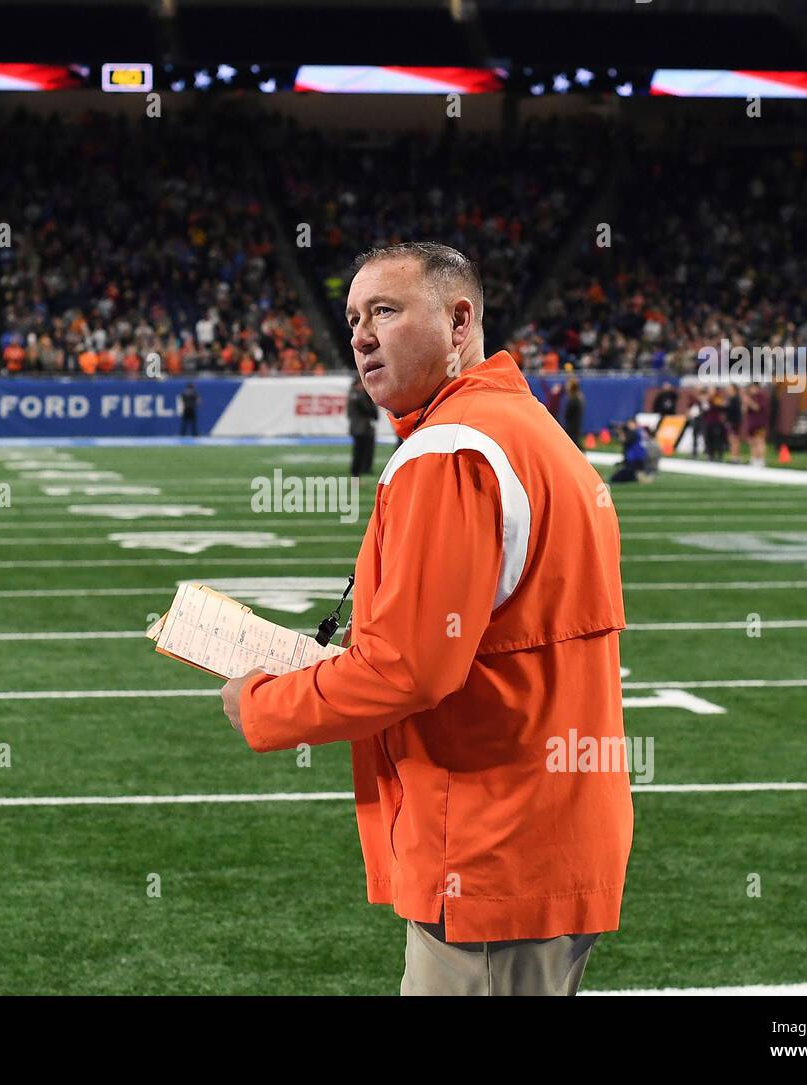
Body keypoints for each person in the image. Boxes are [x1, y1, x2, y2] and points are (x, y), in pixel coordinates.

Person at [219, 242, 632, 996]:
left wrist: (260, 703)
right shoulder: (530, 430)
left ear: (458, 320)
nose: (361, 336)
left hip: (490, 851)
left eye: (385, 310)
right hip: (554, 837)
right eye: (352, 319)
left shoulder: (451, 449)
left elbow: (409, 669)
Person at [347, 374, 378, 476]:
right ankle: (356, 471)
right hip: (360, 427)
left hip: (362, 427)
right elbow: (367, 408)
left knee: (365, 449)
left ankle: (363, 469)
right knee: (359, 450)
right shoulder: (356, 395)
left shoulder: (354, 394)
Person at [563, 377, 585, 447]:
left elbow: (567, 414)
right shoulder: (578, 397)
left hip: (572, 425)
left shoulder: (573, 399)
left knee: (573, 443)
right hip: (575, 425)